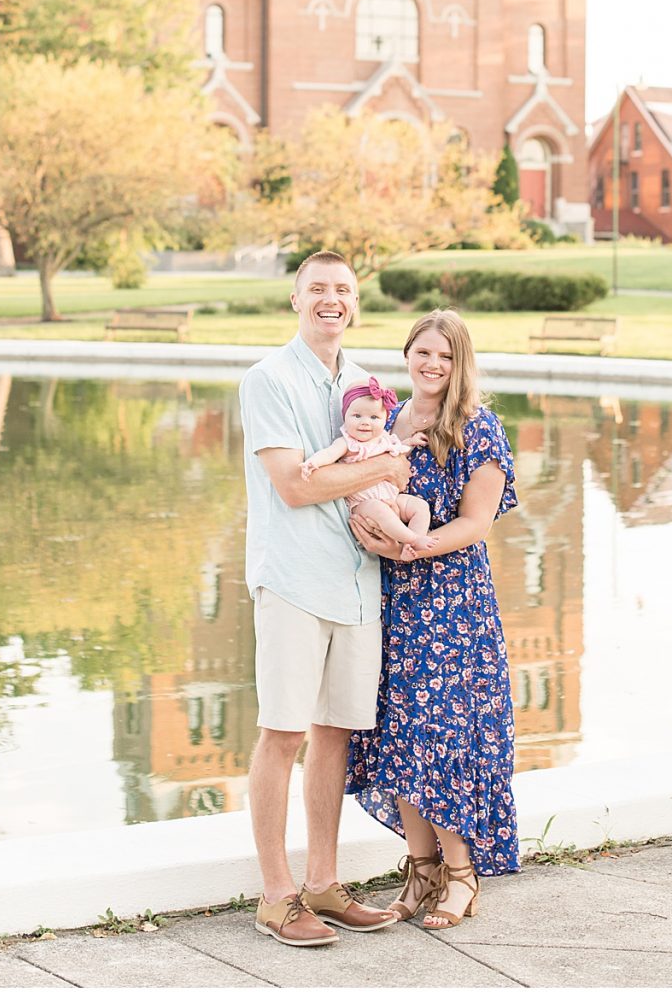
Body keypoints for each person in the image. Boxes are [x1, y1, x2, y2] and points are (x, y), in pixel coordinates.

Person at [239, 250, 405, 948]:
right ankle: (276, 896)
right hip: (292, 580)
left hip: (355, 583)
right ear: (295, 299)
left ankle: (323, 885)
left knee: (335, 732)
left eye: (342, 289)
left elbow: (391, 476)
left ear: (354, 302)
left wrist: (389, 474)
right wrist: (382, 466)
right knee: (283, 733)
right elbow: (295, 487)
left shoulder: (366, 383)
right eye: (317, 289)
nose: (330, 300)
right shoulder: (267, 379)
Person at [346, 308, 519, 929]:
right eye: (423, 352)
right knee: (397, 733)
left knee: (442, 734)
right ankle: (420, 869)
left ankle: (462, 873)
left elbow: (475, 524)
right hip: (390, 599)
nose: (433, 364)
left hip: (452, 602)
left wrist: (412, 545)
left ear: (459, 363)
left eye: (445, 356)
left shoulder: (480, 427)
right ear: (407, 353)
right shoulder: (383, 421)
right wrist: (376, 538)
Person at [302, 376, 434, 560]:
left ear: (385, 418)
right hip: (363, 504)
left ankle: (411, 544)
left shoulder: (385, 439)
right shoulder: (347, 443)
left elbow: (397, 451)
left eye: (374, 417)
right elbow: (329, 454)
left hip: (391, 497)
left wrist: (410, 442)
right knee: (380, 511)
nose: (365, 422)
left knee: (419, 506)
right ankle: (412, 539)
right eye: (357, 416)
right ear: (345, 415)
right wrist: (313, 463)